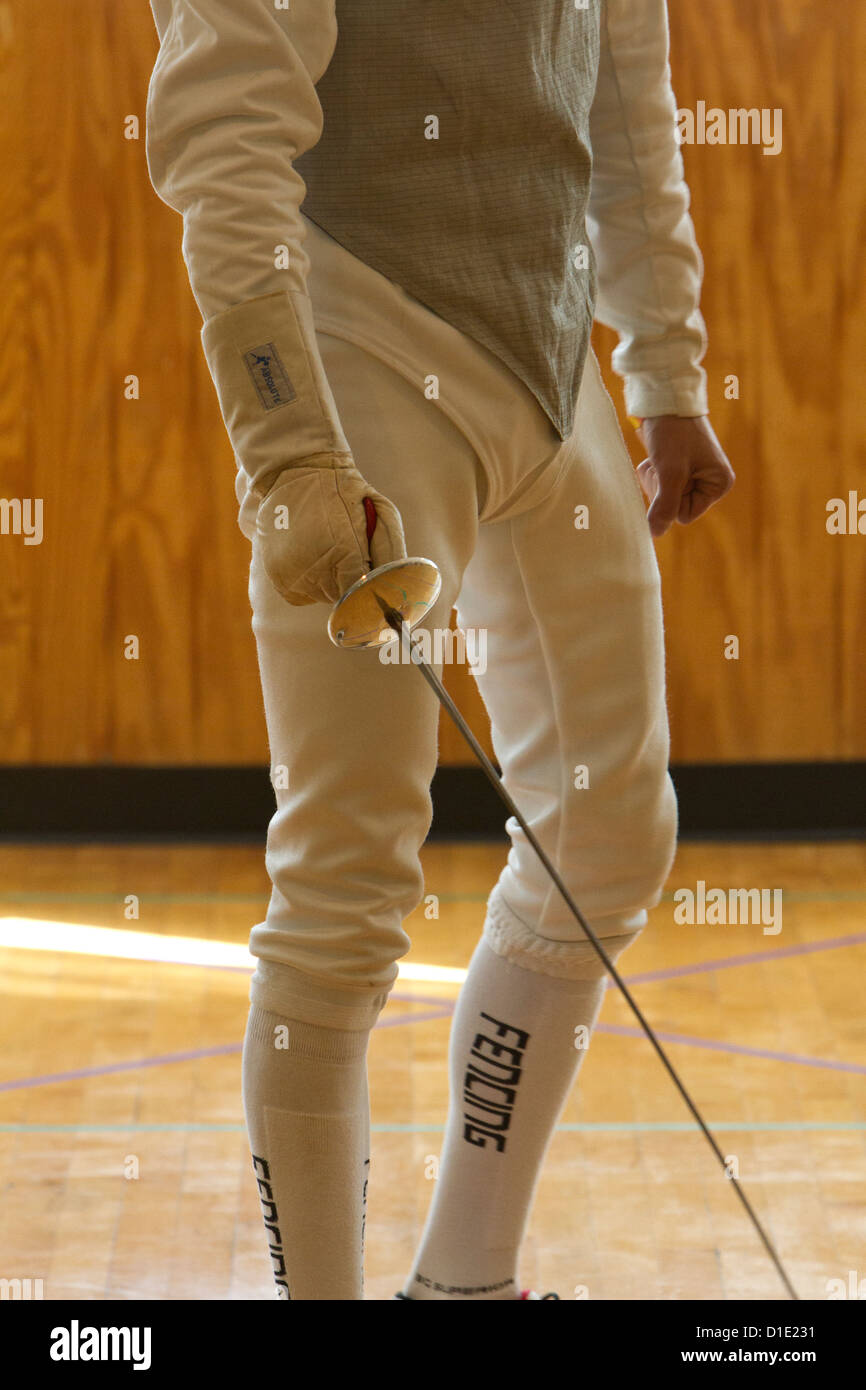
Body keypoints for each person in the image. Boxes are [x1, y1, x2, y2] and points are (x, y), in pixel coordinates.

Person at [145, 0, 735, 1301]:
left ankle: (463, 1285)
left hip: (545, 356)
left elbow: (623, 99)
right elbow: (221, 126)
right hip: (359, 336)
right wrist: (286, 436)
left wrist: (665, 371)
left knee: (611, 831)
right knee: (348, 871)